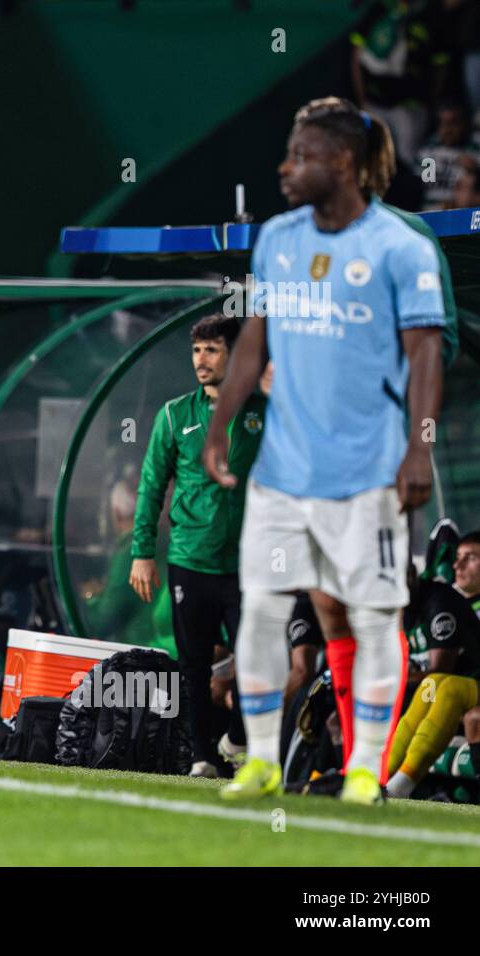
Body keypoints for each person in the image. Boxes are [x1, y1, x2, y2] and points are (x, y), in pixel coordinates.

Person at [209, 97, 445, 805]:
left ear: (341, 162)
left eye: (300, 156)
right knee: (273, 610)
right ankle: (259, 757)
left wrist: (419, 449)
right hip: (288, 467)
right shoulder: (278, 239)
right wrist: (223, 420)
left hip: (367, 466)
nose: (285, 168)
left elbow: (429, 347)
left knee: (365, 612)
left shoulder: (402, 248)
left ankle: (367, 766)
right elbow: (256, 338)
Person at [129, 315, 266, 778]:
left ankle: (240, 734)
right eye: (196, 351)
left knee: (255, 657)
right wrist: (142, 552)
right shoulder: (174, 415)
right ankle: (202, 754)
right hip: (190, 559)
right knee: (193, 666)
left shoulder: (262, 411)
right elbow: (151, 485)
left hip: (248, 563)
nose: (201, 360)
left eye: (212, 350)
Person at [385, 531, 480, 797]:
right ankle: (384, 777)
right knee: (433, 683)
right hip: (470, 686)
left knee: (445, 686)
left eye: (469, 558)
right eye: (457, 558)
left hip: (467, 688)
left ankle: (399, 786)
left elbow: (442, 666)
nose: (456, 565)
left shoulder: (441, 601)